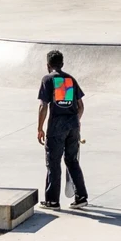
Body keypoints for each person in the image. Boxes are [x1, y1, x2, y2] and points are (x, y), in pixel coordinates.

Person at [37, 50, 88, 210]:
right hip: (73, 125)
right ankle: (81, 197)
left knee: (53, 161)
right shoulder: (70, 79)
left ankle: (52, 201)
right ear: (62, 64)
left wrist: (39, 128)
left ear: (48, 65)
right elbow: (81, 106)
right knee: (72, 160)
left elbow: (43, 106)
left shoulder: (48, 79)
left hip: (56, 126)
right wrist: (75, 122)